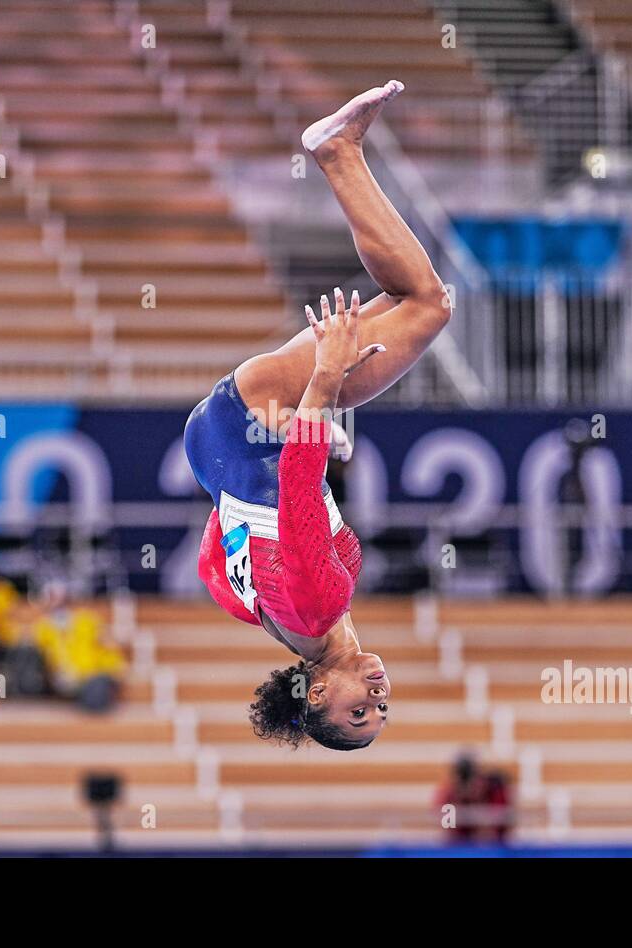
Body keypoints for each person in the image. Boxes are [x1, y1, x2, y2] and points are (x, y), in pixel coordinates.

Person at [184, 81, 451, 751]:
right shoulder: (275, 621)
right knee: (413, 300)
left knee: (426, 303)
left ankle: (337, 149)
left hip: (249, 424)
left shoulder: (315, 607)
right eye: (382, 716)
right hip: (222, 441)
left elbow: (297, 492)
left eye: (359, 714)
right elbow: (214, 567)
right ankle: (339, 150)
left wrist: (324, 382)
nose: (380, 703)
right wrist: (246, 475)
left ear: (320, 692)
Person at [7, 582, 127, 713]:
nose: (56, 605)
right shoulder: (44, 626)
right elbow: (23, 639)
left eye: (58, 599)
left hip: (88, 676)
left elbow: (109, 646)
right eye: (51, 600)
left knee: (97, 688)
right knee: (24, 652)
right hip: (59, 678)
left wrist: (112, 668)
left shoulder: (87, 621)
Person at [434, 753, 513, 844]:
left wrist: (480, 800)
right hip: (460, 844)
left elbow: (498, 826)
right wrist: (459, 799)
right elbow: (447, 827)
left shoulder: (490, 789)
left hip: (490, 847)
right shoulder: (449, 793)